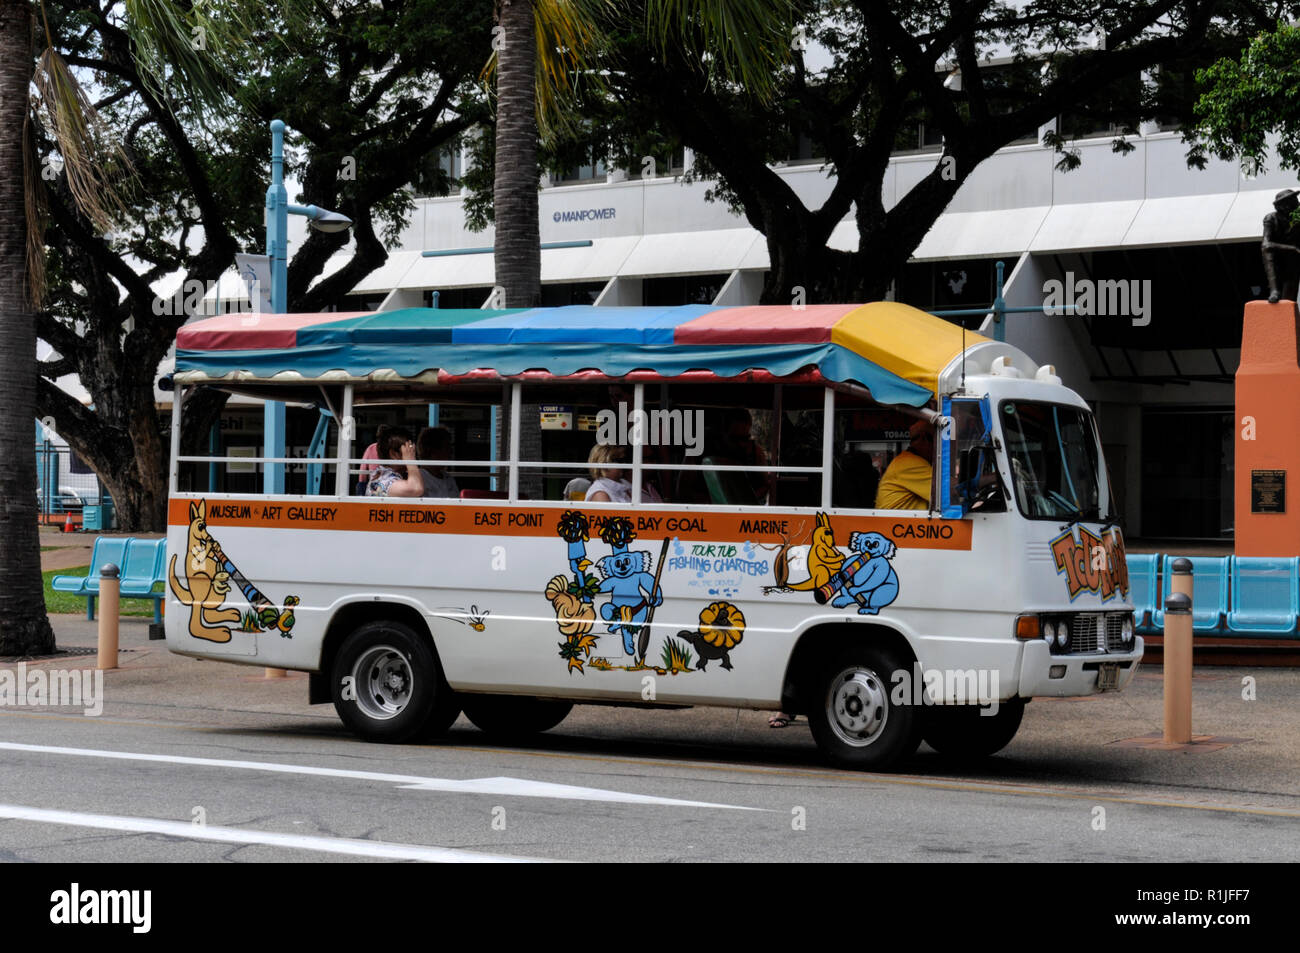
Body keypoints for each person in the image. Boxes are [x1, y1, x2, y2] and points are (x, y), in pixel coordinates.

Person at [875, 418, 933, 510]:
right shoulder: (911, 463)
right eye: (936, 441)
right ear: (924, 437)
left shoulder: (908, 460)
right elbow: (945, 492)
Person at [585, 444, 662, 503]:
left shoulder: (623, 487)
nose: (624, 464)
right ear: (604, 464)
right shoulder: (600, 493)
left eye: (624, 460)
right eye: (619, 460)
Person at [365, 425, 424, 498]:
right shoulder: (386, 480)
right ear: (393, 454)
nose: (413, 453)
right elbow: (416, 489)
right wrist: (410, 461)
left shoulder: (382, 474)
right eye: (408, 450)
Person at [416, 426, 459, 498]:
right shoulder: (419, 478)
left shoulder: (448, 478)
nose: (451, 452)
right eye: (447, 448)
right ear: (432, 451)